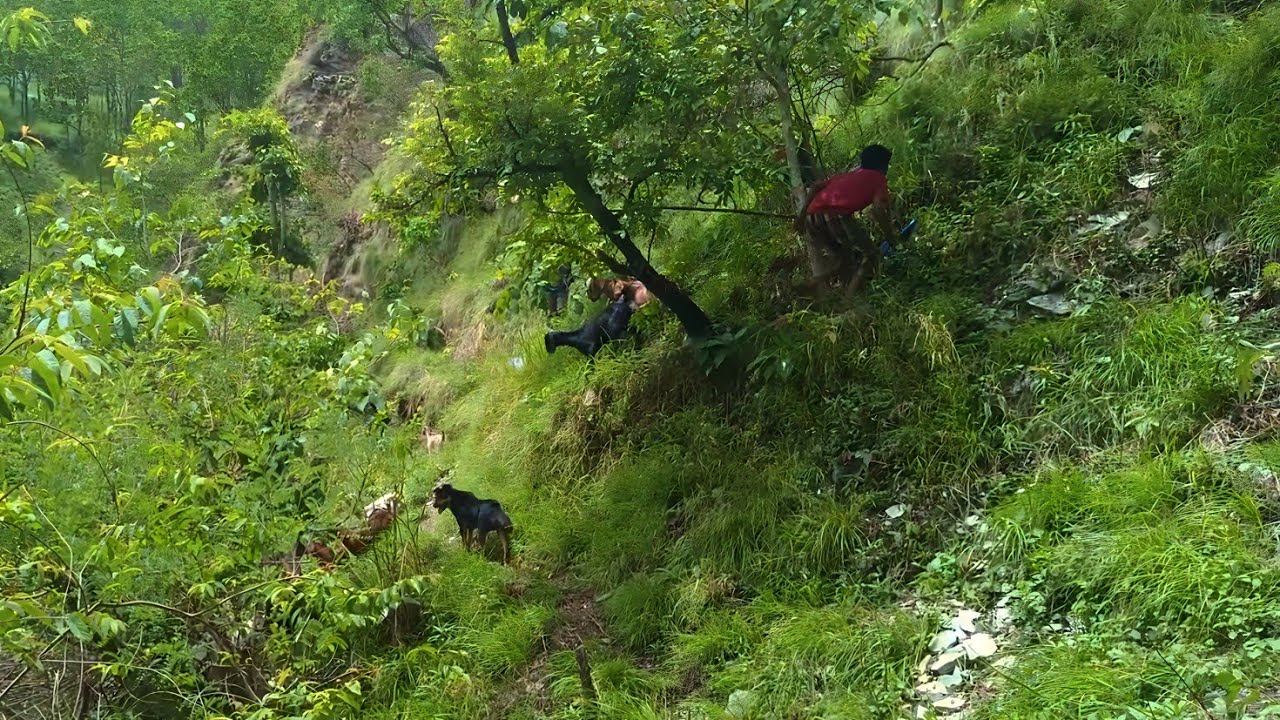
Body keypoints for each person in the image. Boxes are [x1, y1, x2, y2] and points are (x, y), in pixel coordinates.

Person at [796, 144, 898, 292]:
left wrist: (801, 217)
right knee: (871, 255)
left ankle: (817, 283)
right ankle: (848, 298)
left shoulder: (850, 175)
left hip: (811, 217)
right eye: (887, 165)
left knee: (845, 259)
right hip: (834, 215)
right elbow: (878, 210)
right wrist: (890, 236)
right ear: (882, 165)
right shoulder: (878, 178)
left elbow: (816, 187)